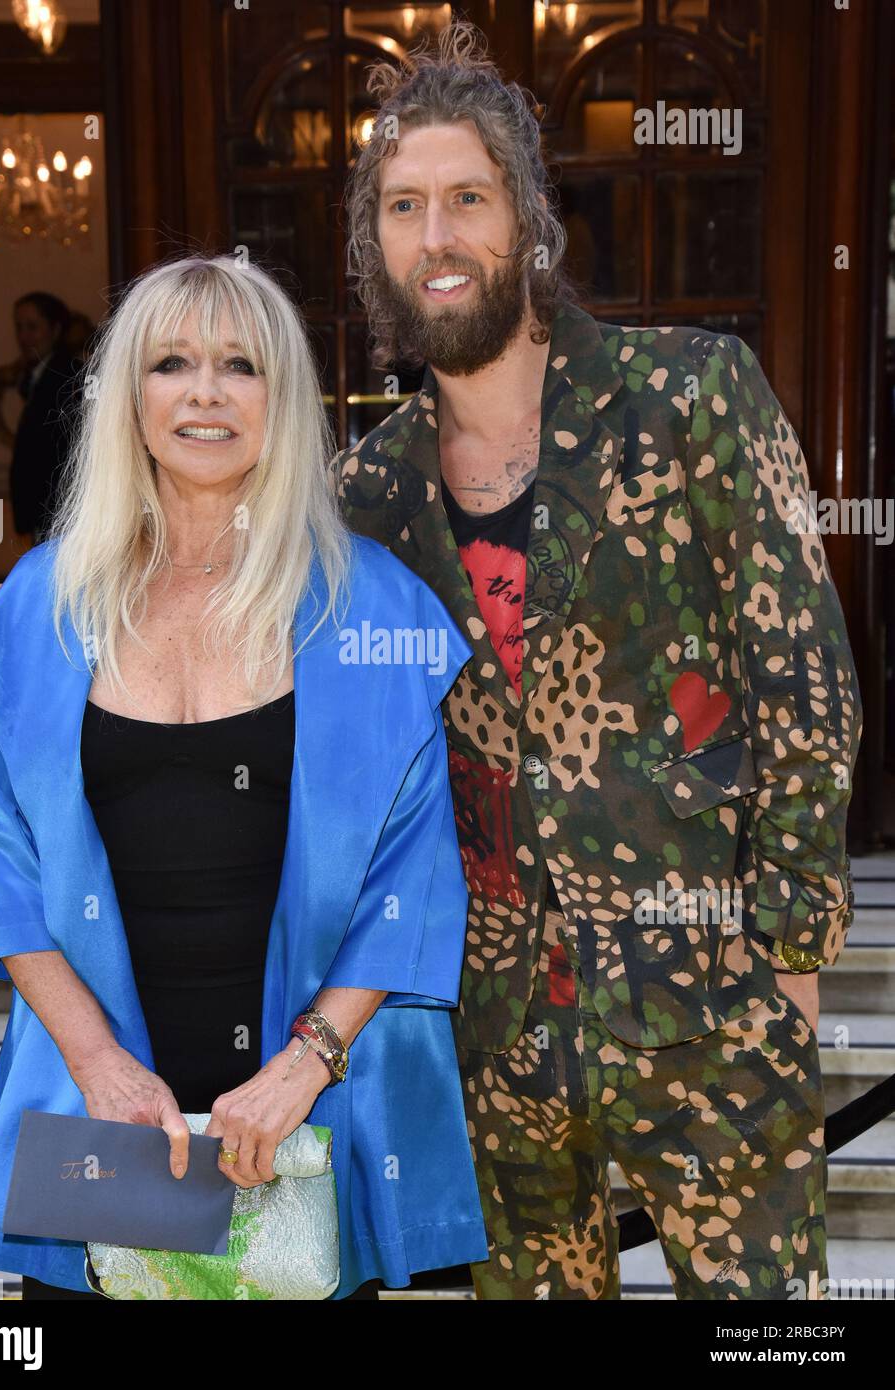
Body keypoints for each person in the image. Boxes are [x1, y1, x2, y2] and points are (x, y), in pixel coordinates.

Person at [333, 19, 863, 1299]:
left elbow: (805, 684)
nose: (438, 235)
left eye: (468, 197)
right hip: (493, 1037)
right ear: (376, 248)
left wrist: (787, 966)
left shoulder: (690, 399)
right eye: (404, 207)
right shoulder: (361, 496)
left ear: (526, 219)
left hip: (705, 1001)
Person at [0, 252, 489, 1300]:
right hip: (100, 1106)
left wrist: (297, 1071)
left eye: (240, 364)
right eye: (171, 364)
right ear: (125, 397)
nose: (204, 391)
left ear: (280, 400)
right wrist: (102, 1067)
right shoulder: (36, 609)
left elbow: (412, 877)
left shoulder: (370, 610)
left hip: (309, 1110)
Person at [9, 291, 82, 541]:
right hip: (48, 516)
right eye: (19, 327)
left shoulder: (67, 377)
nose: (23, 337)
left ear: (55, 329)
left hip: (60, 516)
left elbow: (66, 451)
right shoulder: (40, 376)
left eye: (32, 327)